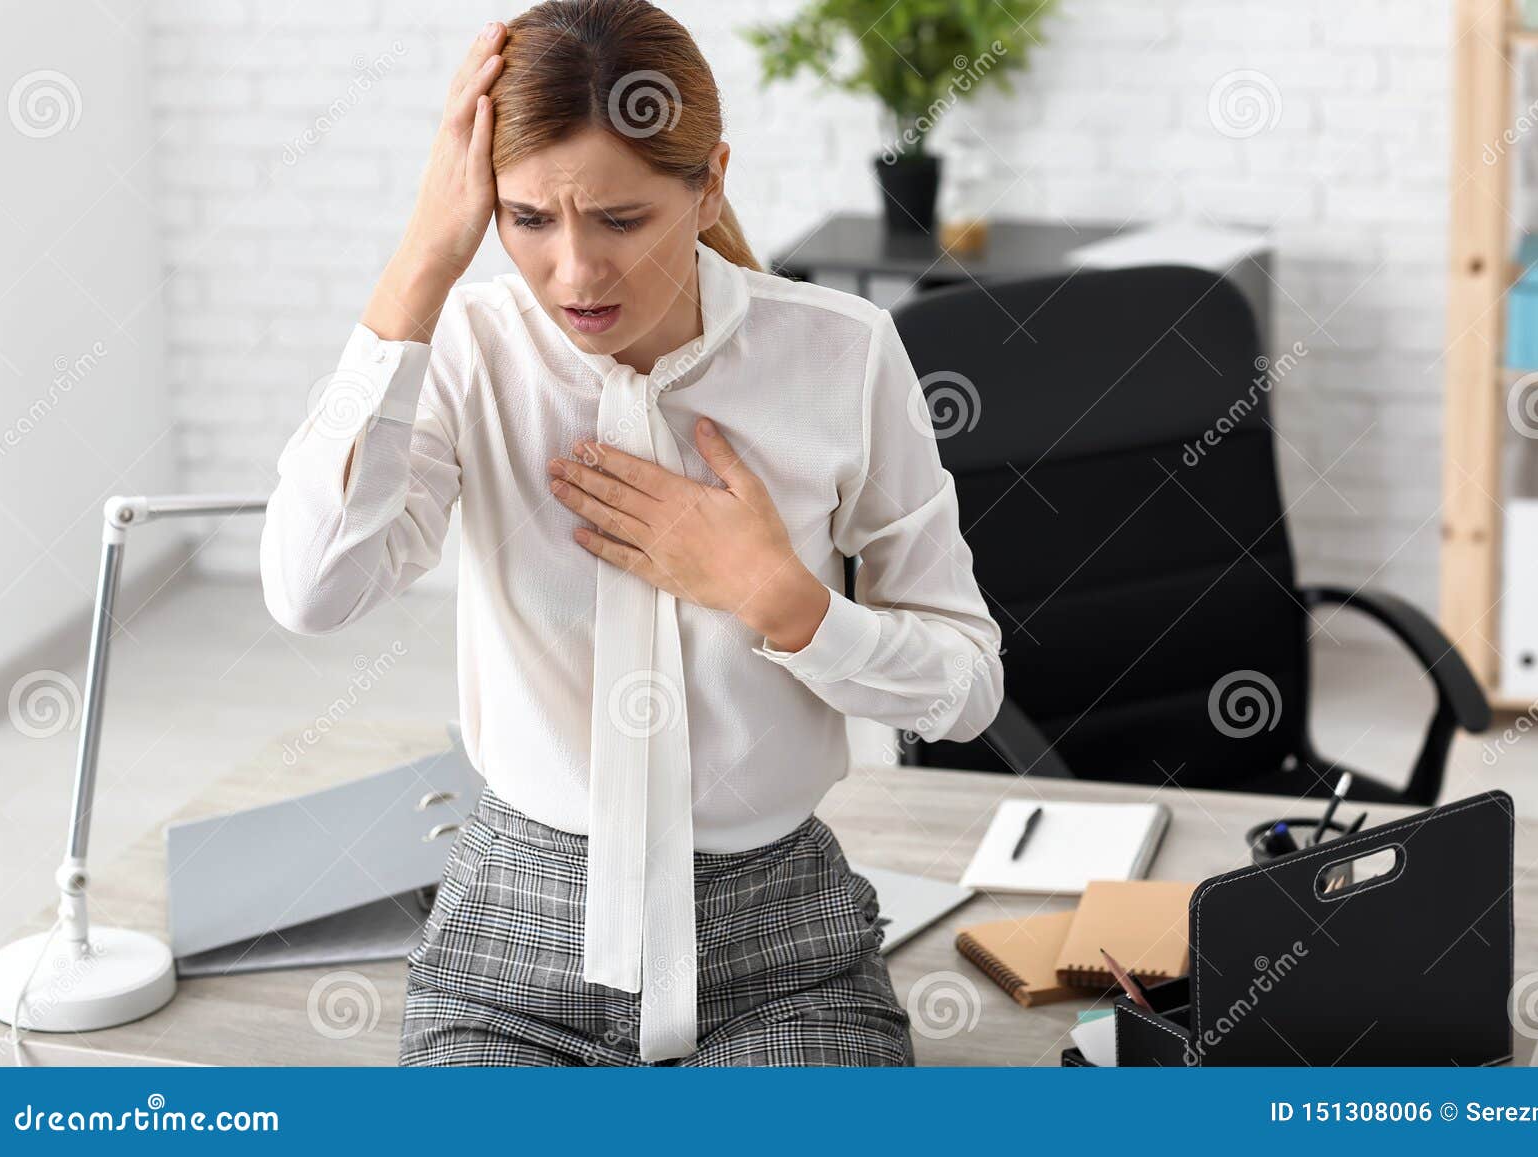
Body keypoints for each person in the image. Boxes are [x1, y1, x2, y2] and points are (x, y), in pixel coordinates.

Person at [259, 0, 1003, 1067]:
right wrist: (420, 264)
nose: (574, 273)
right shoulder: (467, 345)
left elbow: (965, 690)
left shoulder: (843, 353)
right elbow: (310, 590)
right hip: (509, 946)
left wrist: (783, 601)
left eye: (620, 220)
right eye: (526, 219)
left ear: (709, 184)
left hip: (783, 951)